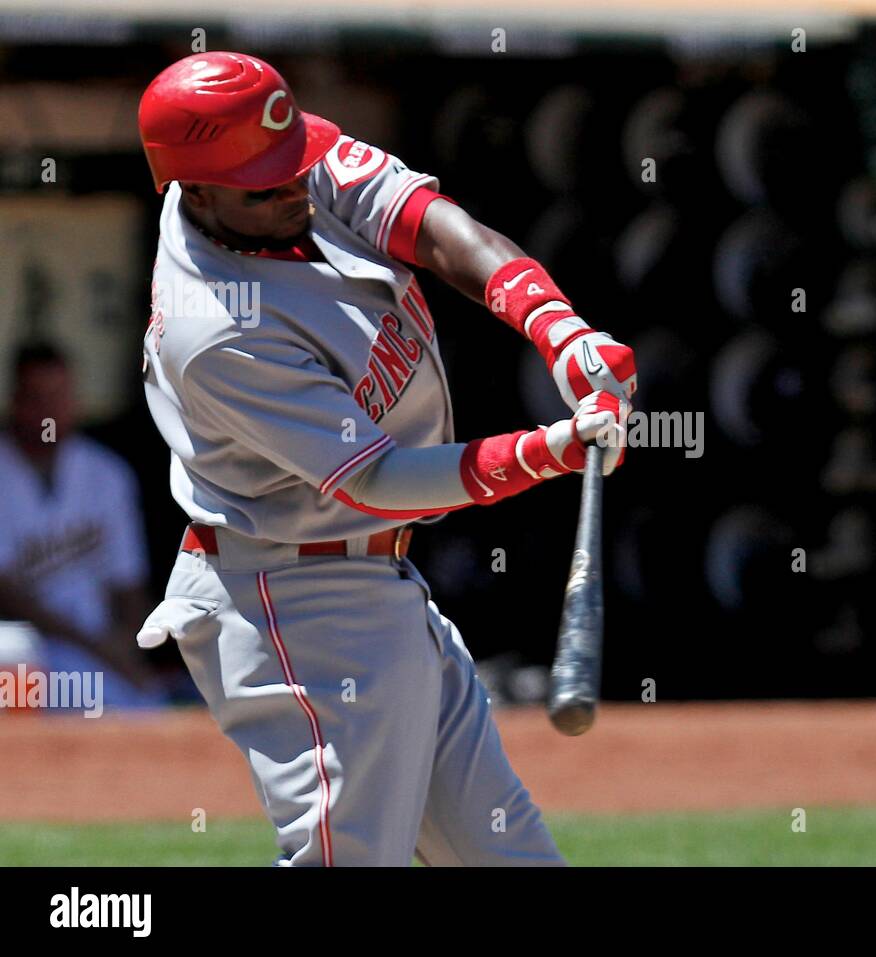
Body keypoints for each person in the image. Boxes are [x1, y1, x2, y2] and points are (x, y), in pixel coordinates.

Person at [135, 52, 636, 865]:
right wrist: (549, 450)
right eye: (266, 187)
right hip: (292, 601)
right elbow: (378, 481)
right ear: (195, 191)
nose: (297, 189)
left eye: (295, 165)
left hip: (376, 586)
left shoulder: (283, 165)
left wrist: (560, 330)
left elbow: (434, 229)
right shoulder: (215, 330)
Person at [0, 341, 165, 711]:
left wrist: (129, 647)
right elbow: (7, 594)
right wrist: (98, 648)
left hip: (99, 645)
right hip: (28, 648)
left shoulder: (105, 473)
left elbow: (128, 585)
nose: (48, 413)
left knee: (145, 709)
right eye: (36, 398)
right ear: (16, 402)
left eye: (58, 397)